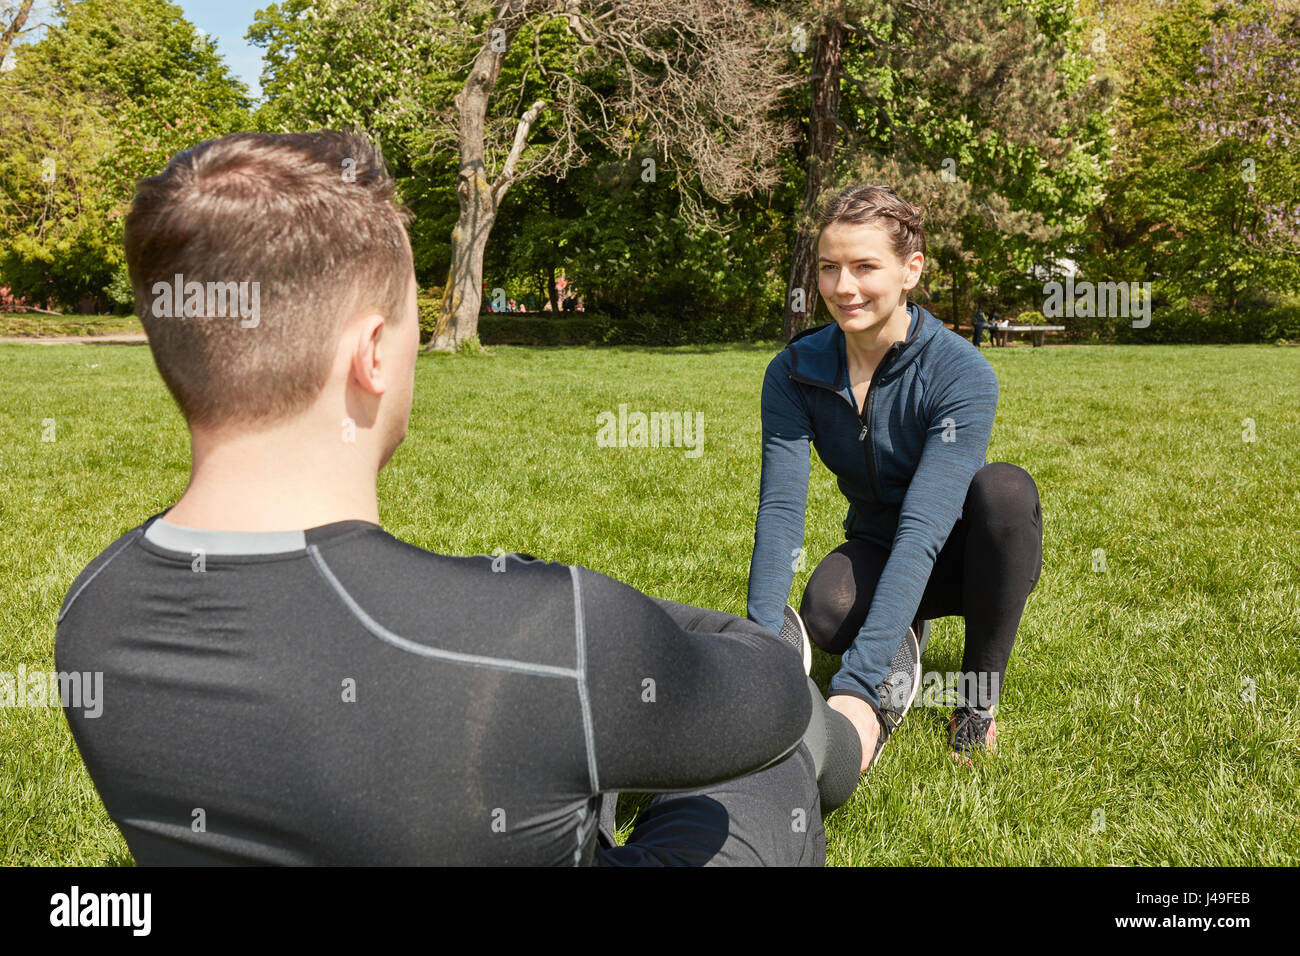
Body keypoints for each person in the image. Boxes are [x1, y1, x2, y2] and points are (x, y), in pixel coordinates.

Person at [54, 130, 861, 866]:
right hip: (649, 691)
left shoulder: (91, 609)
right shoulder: (542, 633)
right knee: (775, 763)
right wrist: (598, 613)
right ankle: (857, 734)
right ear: (373, 353)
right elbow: (770, 703)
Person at [747, 184, 1043, 774]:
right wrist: (758, 651)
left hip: (969, 556)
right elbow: (781, 510)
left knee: (1005, 490)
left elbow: (926, 525)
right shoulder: (794, 371)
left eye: (864, 267)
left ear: (911, 269)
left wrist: (858, 688)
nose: (842, 287)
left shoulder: (960, 371)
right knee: (825, 612)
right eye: (829, 268)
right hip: (880, 541)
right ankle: (902, 636)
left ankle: (976, 702)